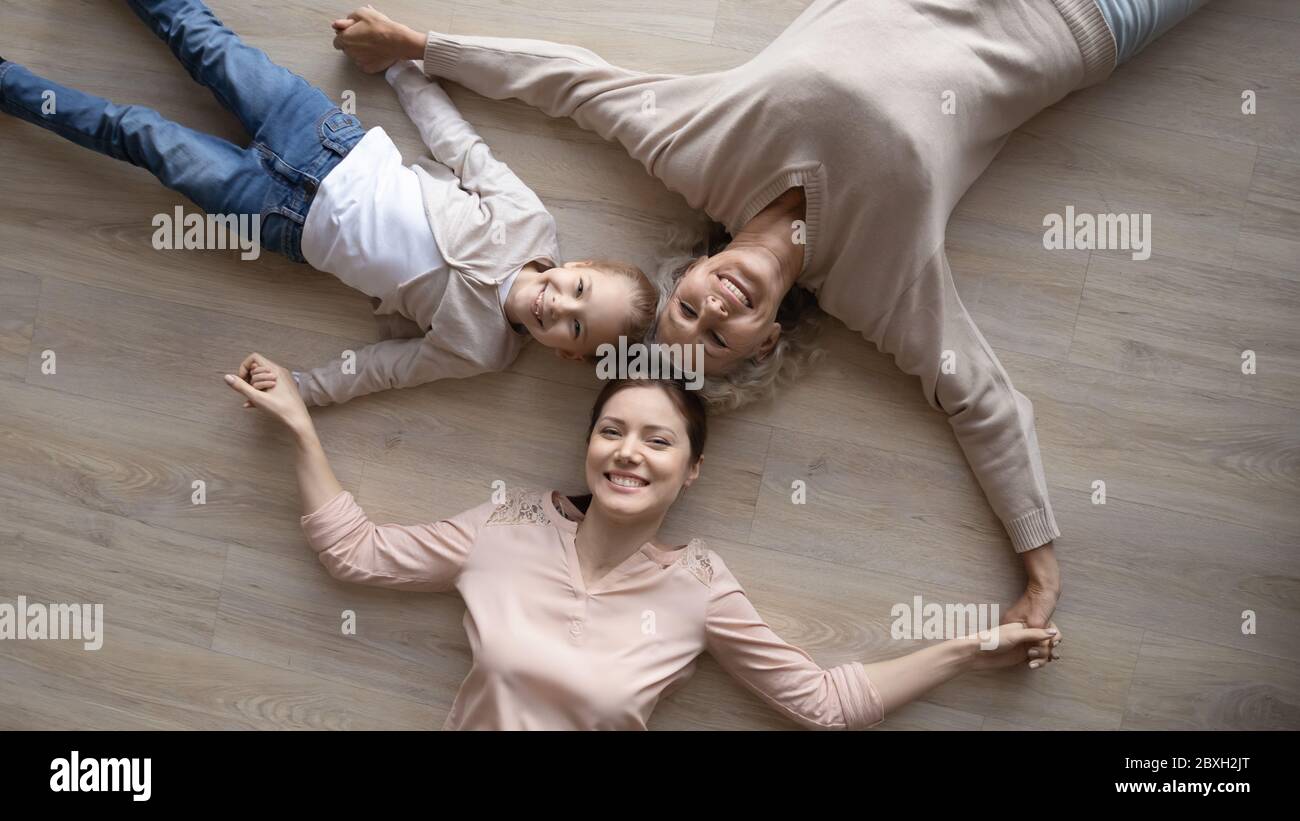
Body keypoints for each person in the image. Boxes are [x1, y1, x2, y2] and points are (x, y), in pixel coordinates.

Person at [323, 0, 1209, 631]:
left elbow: (572, 85)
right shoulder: (876, 279)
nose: (714, 310)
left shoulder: (699, 150)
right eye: (719, 338)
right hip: (1085, 19)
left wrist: (421, 46)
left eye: (687, 309)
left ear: (691, 266)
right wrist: (1038, 567)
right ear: (768, 340)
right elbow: (981, 401)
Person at [224, 354, 1063, 730]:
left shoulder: (697, 587)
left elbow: (823, 703)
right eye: (613, 431)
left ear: (691, 471)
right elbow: (356, 553)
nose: (629, 451)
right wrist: (301, 426)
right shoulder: (506, 528)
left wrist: (970, 648)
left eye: (658, 441)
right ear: (589, 445)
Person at [0, 0, 658, 408]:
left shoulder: (479, 349)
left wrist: (305, 388)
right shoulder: (529, 222)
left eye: (574, 325)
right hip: (322, 135)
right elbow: (459, 145)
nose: (558, 305)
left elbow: (383, 370)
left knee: (138, 133)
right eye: (578, 289)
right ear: (582, 264)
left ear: (566, 354)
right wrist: (401, 66)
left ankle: (11, 85)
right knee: (202, 41)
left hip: (276, 217)